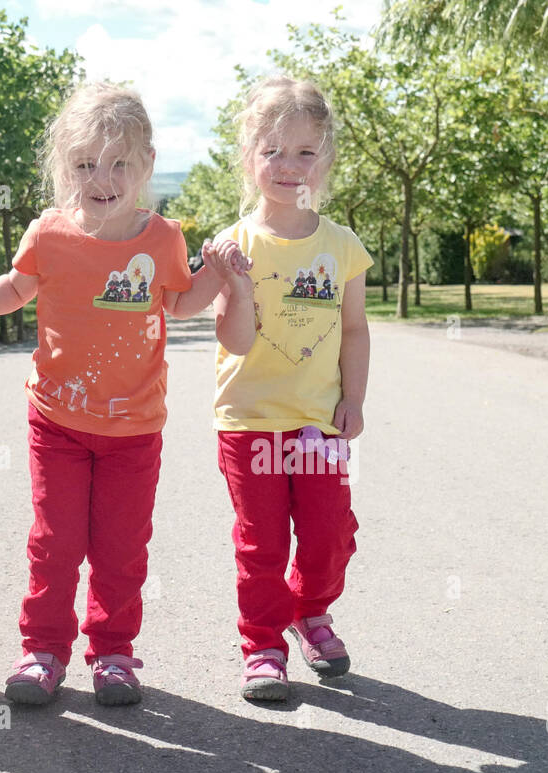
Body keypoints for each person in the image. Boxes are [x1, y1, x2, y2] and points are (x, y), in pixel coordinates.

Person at [0, 83, 246, 706]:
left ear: (146, 164)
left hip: (134, 431)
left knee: (121, 549)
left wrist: (217, 275)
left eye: (119, 162)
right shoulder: (50, 234)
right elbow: (14, 290)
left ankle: (114, 652)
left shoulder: (162, 238)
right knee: (55, 541)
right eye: (85, 163)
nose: (102, 177)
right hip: (58, 423)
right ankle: (42, 649)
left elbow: (180, 303)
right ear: (64, 167)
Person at [210, 77, 372, 701]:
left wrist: (353, 399)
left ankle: (311, 611)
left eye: (305, 152)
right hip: (249, 420)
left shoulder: (341, 247)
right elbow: (237, 340)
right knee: (262, 541)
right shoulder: (235, 245)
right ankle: (263, 646)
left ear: (326, 160)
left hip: (318, 424)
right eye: (273, 151)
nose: (288, 166)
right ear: (249, 159)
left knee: (331, 533)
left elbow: (354, 331)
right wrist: (239, 286)